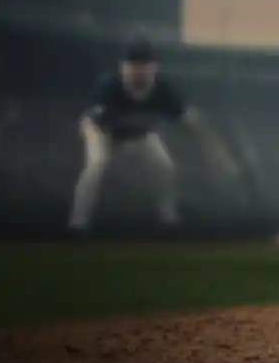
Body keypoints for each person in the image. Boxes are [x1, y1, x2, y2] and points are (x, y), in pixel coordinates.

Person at [68, 38, 239, 235]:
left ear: (153, 68)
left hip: (140, 135)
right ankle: (77, 223)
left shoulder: (163, 89)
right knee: (96, 164)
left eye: (144, 66)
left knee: (164, 166)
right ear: (123, 67)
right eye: (133, 66)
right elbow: (95, 122)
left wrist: (218, 152)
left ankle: (168, 219)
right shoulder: (109, 86)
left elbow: (193, 123)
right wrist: (117, 149)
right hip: (100, 132)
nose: (138, 71)